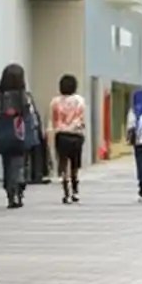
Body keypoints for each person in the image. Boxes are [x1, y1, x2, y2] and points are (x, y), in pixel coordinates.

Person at [0, 64, 32, 209]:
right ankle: (18, 189)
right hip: (18, 132)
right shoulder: (22, 94)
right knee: (19, 162)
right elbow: (26, 112)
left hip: (3, 132)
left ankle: (9, 192)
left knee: (7, 164)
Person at [50, 74, 87, 205]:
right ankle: (76, 190)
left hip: (62, 135)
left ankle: (66, 193)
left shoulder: (55, 102)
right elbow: (81, 118)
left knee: (63, 163)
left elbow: (54, 120)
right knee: (75, 164)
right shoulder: (80, 100)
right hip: (76, 135)